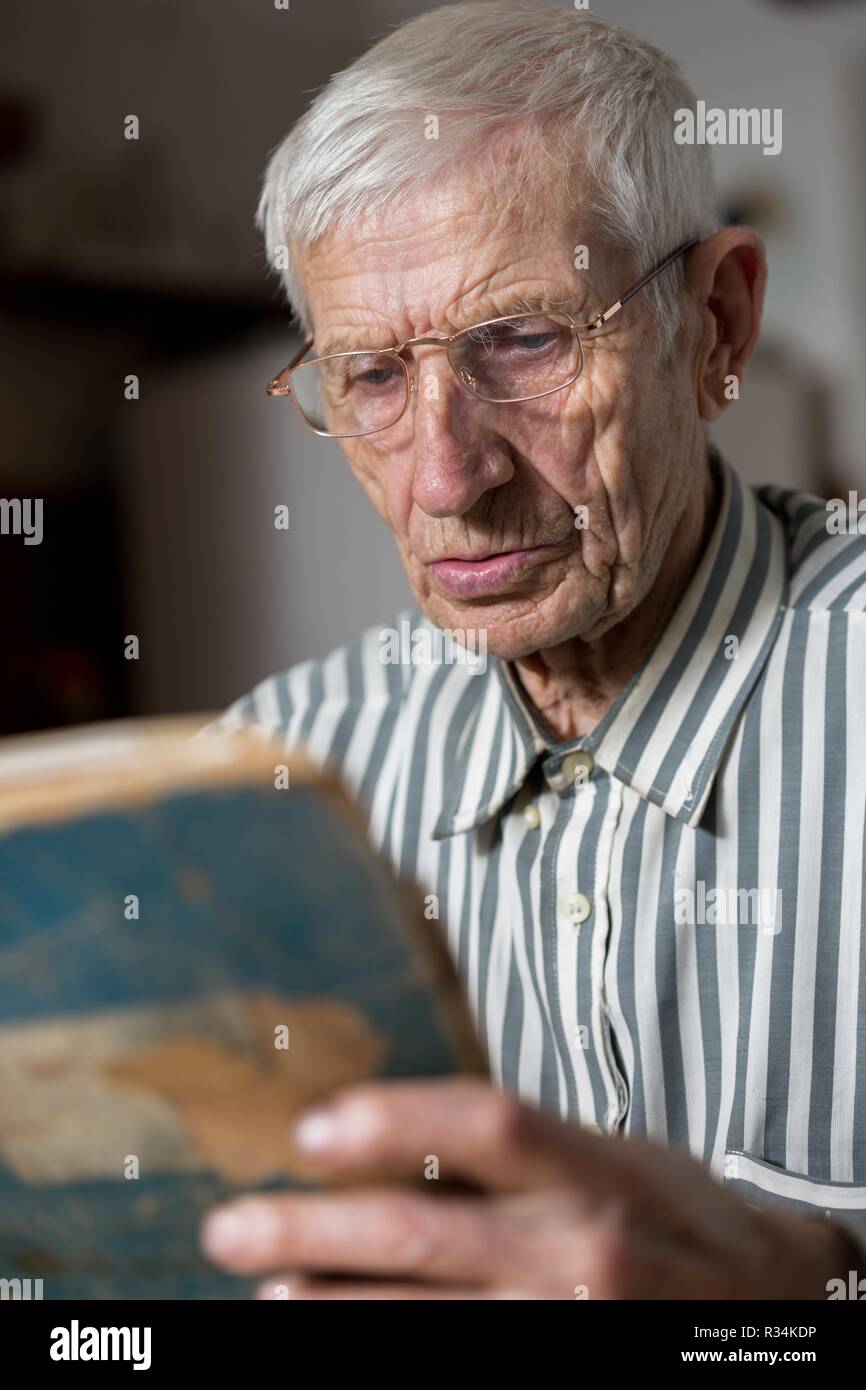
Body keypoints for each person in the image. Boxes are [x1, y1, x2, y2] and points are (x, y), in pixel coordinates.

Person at [201, 3, 866, 1298]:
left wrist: (800, 1293)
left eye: (523, 338)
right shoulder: (269, 781)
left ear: (715, 325)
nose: (445, 477)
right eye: (373, 377)